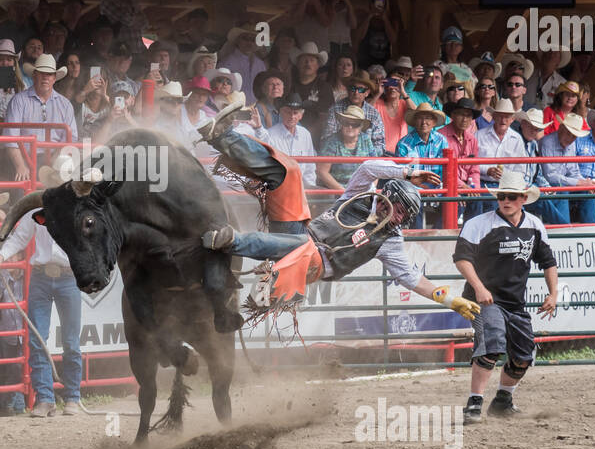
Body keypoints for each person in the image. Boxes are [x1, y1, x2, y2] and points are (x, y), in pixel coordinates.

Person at [200, 144, 479, 323]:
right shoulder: (359, 196)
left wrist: (450, 299)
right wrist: (406, 172)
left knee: (300, 246)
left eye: (404, 214)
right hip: (303, 234)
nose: (397, 215)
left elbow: (412, 279)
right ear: (385, 196)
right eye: (397, 208)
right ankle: (227, 138)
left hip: (316, 261)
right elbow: (368, 167)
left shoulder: (390, 241)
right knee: (289, 173)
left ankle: (234, 240)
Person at [454, 170, 559, 423]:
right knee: (491, 345)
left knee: (523, 356)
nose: (506, 201)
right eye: (502, 196)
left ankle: (503, 400)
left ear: (523, 198)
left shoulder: (534, 226)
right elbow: (461, 259)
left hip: (514, 302)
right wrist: (479, 287)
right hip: (483, 299)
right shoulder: (479, 224)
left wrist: (553, 293)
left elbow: (548, 262)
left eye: (511, 196)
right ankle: (474, 403)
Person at [0, 165, 85, 417]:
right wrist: (1, 255)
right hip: (43, 277)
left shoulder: (81, 211)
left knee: (70, 342)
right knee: (38, 339)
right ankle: (45, 398)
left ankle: (72, 397)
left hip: (67, 277)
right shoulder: (38, 209)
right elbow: (20, 237)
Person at [3, 54, 77, 182]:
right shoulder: (19, 101)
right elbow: (10, 138)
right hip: (24, 158)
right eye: (42, 73)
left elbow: (71, 139)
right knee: (23, 194)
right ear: (34, 75)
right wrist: (20, 166)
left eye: (49, 74)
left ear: (54, 78)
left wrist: (55, 165)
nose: (45, 77)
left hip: (55, 159)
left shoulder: (65, 105)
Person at [470, 99, 527, 218]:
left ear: (512, 119)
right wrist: (488, 170)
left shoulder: (517, 139)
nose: (503, 120)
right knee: (479, 201)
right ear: (494, 116)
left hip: (507, 186)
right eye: (500, 116)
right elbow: (470, 163)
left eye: (507, 117)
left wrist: (504, 175)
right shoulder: (479, 135)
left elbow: (521, 170)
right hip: (481, 182)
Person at [395, 101, 448, 227]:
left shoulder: (442, 141)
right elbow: (402, 176)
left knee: (456, 201)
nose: (424, 122)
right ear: (414, 121)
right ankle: (417, 241)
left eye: (428, 118)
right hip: (413, 189)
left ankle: (438, 236)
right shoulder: (404, 144)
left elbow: (446, 173)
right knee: (412, 202)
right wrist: (423, 190)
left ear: (434, 122)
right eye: (420, 118)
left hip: (437, 188)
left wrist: (437, 189)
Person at [321, 70, 384, 154]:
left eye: (361, 90)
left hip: (367, 161)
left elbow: (380, 144)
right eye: (353, 88)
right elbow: (327, 139)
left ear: (367, 93)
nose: (356, 92)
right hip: (338, 159)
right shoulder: (335, 109)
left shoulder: (374, 114)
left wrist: (365, 155)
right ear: (348, 90)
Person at [317, 104, 376, 193]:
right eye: (346, 123)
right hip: (335, 193)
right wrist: (345, 193)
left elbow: (375, 168)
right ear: (341, 124)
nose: (350, 127)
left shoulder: (366, 140)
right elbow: (322, 172)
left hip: (362, 191)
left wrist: (370, 190)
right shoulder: (331, 142)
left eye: (355, 124)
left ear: (361, 127)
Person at [439, 97, 480, 220]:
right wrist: (462, 187)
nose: (465, 119)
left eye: (468, 116)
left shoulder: (472, 139)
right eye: (461, 115)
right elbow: (442, 170)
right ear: (453, 115)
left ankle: (473, 238)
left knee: (479, 200)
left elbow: (475, 169)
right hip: (445, 185)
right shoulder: (441, 136)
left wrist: (474, 188)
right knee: (456, 204)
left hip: (467, 186)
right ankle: (442, 236)